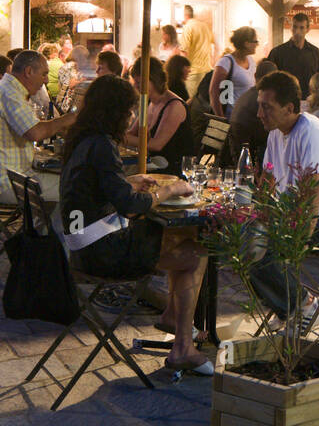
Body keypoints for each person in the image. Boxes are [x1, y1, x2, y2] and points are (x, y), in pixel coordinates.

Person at [59, 74, 208, 373]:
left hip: (79, 247)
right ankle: (182, 347)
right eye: (129, 110)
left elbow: (95, 189)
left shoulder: (83, 139)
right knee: (196, 254)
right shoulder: (102, 145)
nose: (132, 116)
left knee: (177, 242)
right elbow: (129, 206)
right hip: (102, 254)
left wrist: (128, 181)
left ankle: (171, 319)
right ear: (116, 111)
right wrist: (170, 189)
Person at [254, 71, 319, 327]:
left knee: (261, 253)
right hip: (291, 214)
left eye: (266, 107)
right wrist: (256, 218)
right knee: (244, 244)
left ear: (288, 108)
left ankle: (307, 305)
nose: (259, 114)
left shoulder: (309, 131)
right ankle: (289, 310)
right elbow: (267, 181)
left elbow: (312, 193)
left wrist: (295, 239)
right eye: (259, 106)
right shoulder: (276, 132)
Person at [0, 50, 77, 202]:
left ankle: (42, 224)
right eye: (44, 74)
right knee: (76, 187)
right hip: (5, 184)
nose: (46, 80)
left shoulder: (4, 88)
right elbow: (35, 133)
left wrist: (62, 129)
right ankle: (48, 226)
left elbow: (33, 128)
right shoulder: (9, 93)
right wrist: (70, 118)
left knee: (65, 179)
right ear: (28, 71)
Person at [122, 57, 193, 173]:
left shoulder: (174, 105)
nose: (136, 87)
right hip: (154, 164)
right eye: (135, 82)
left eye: (140, 83)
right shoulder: (150, 102)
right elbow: (131, 133)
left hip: (174, 170)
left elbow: (156, 145)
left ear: (155, 80)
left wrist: (121, 137)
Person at [227, 59, 279, 165]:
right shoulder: (263, 98)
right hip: (249, 152)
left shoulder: (248, 94)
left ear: (255, 76)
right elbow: (273, 128)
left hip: (237, 148)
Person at [268, 12, 319, 98]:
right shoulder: (278, 53)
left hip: (309, 101)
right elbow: (269, 80)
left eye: (301, 28)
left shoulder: (316, 54)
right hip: (285, 101)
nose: (297, 31)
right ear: (291, 27)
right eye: (295, 27)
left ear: (308, 29)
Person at [210, 26, 259, 118]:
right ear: (246, 43)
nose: (257, 45)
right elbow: (214, 92)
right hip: (231, 116)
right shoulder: (226, 62)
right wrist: (221, 118)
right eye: (255, 41)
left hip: (247, 116)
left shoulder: (251, 61)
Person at [179, 5, 216, 98]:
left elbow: (184, 52)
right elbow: (215, 46)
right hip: (207, 71)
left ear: (185, 15)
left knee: (191, 102)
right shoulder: (205, 26)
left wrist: (181, 72)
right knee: (203, 102)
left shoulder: (188, 27)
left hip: (193, 72)